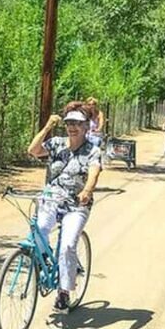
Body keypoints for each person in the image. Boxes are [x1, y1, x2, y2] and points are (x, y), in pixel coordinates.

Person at [28, 102, 102, 313]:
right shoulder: (57, 143)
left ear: (86, 126)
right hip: (51, 199)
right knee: (39, 229)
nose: (72, 127)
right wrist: (47, 127)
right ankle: (48, 262)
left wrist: (87, 191)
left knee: (68, 245)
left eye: (77, 123)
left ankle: (64, 291)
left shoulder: (92, 150)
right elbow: (33, 150)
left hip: (76, 205)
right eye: (69, 122)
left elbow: (94, 172)